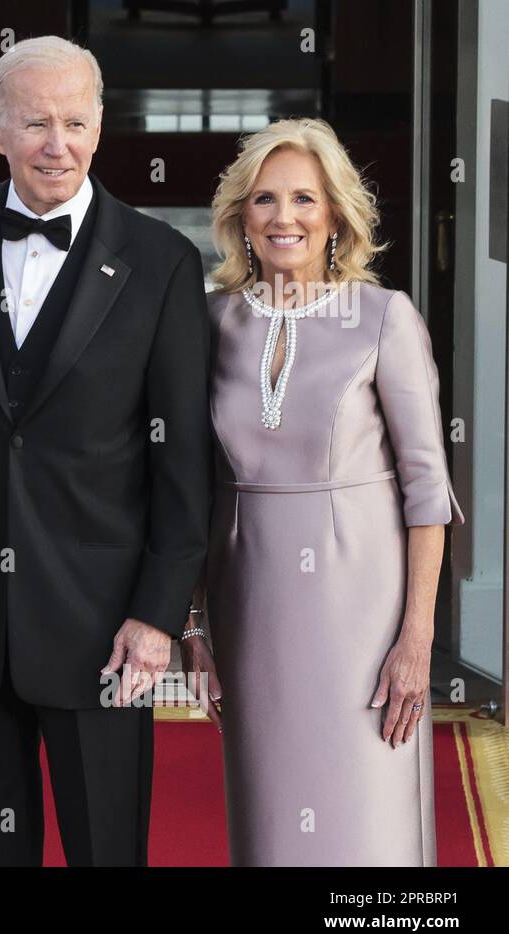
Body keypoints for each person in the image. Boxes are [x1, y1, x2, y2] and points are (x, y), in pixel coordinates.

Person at [0, 36, 212, 866]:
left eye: (75, 121)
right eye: (34, 122)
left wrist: (156, 618)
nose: (57, 143)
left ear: (102, 125)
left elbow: (183, 463)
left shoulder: (162, 262)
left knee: (107, 848)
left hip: (104, 628)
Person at [181, 117, 463, 865]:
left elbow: (428, 491)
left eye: (305, 199)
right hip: (250, 613)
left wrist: (417, 639)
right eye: (265, 200)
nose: (285, 218)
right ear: (241, 215)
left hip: (364, 622)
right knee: (271, 818)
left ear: (335, 212)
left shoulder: (383, 318)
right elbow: (195, 486)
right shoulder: (211, 323)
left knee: (367, 817)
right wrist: (194, 626)